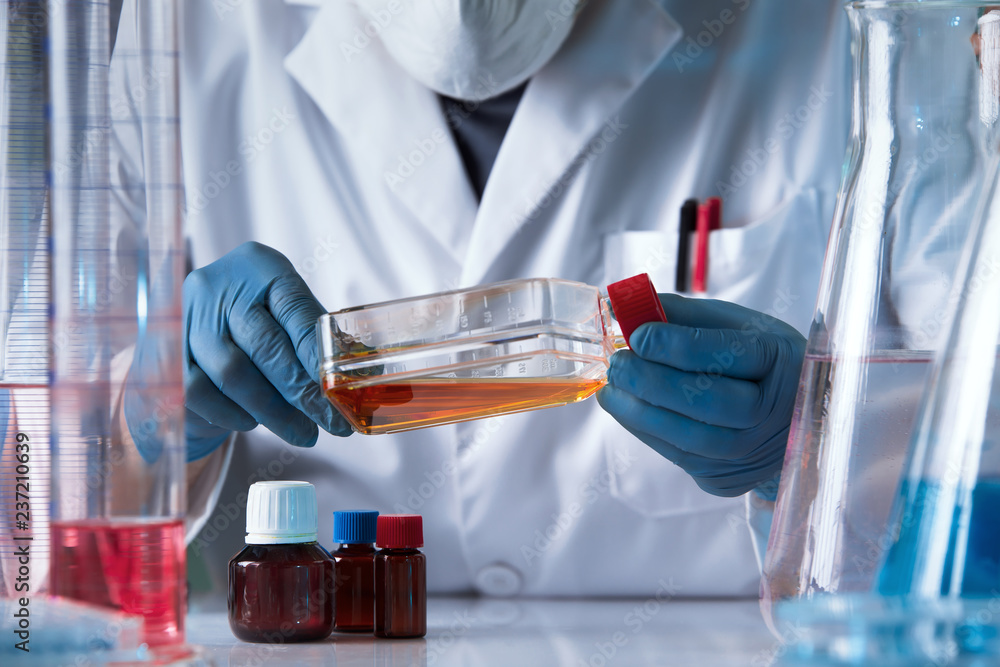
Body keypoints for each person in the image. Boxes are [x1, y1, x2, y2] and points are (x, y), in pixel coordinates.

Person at [113, 0, 852, 598]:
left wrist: (822, 440)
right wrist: (142, 420)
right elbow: (25, 539)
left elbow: (957, 461)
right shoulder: (180, 34)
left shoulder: (837, 31)